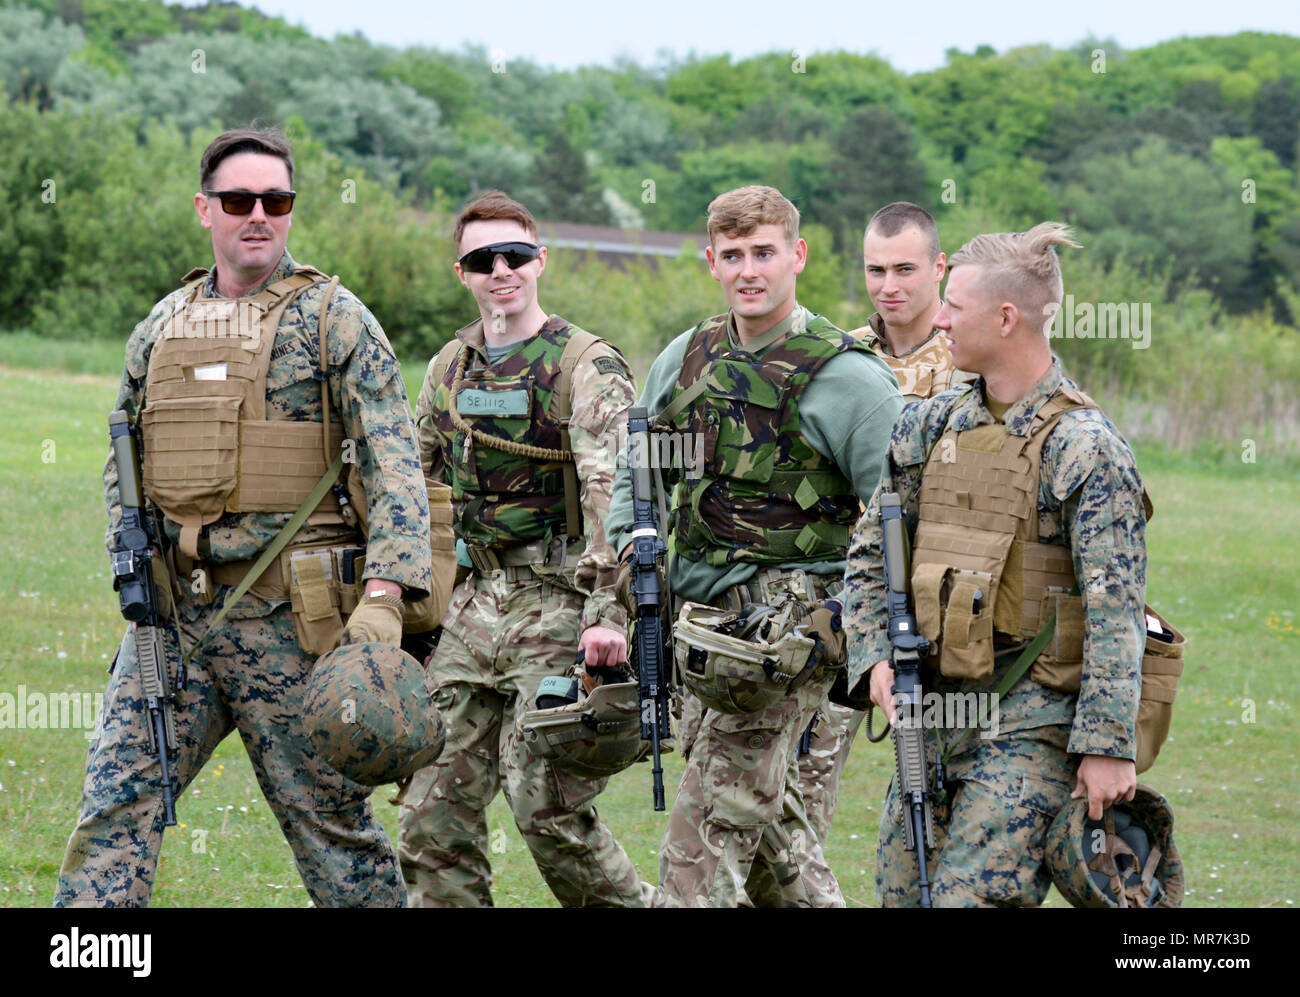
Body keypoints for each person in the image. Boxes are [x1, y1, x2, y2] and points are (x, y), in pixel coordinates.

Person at [54, 127, 433, 908]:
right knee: (115, 804)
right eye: (238, 200)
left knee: (331, 830)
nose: (258, 214)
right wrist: (129, 563)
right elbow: (123, 457)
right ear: (206, 209)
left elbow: (397, 466)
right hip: (175, 621)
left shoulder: (335, 318)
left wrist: (387, 600)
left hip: (293, 624)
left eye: (276, 200)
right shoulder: (162, 325)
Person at [606, 185, 903, 907]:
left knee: (702, 846)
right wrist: (631, 556)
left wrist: (875, 641)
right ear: (711, 260)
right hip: (697, 638)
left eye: (764, 252)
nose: (749, 270)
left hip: (784, 646)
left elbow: (901, 519)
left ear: (796, 255)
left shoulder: (849, 379)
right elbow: (638, 477)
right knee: (780, 854)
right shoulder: (686, 358)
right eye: (732, 255)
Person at [843, 222, 1145, 907]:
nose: (939, 318)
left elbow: (1116, 607)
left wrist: (1107, 743)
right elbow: (869, 552)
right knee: (901, 894)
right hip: (935, 709)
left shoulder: (1084, 446)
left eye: (954, 304)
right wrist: (874, 658)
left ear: (1006, 318)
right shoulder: (930, 423)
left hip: (1031, 718)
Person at [399, 191, 647, 908]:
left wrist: (608, 611)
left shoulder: (584, 365)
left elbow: (616, 499)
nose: (500, 268)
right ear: (463, 272)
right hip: (475, 610)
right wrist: (411, 616)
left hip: (562, 602)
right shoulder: (449, 368)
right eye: (483, 258)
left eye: (514, 254)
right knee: (427, 812)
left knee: (546, 810)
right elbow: (420, 492)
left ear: (541, 260)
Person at [800, 201, 964, 845]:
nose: (889, 286)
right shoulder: (839, 360)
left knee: (939, 794)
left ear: (939, 267)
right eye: (875, 270)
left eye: (905, 269)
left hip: (947, 599)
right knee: (799, 793)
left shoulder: (971, 362)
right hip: (847, 597)